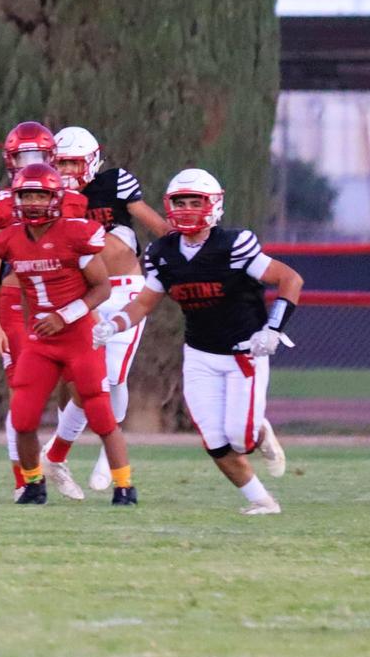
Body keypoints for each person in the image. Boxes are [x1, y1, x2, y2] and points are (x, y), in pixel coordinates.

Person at [96, 169, 301, 513]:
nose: (188, 209)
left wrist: (273, 329)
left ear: (214, 205)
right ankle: (261, 501)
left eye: (196, 201)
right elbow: (145, 301)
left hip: (243, 353)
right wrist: (114, 325)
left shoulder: (234, 245)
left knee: (241, 439)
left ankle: (260, 434)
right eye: (181, 202)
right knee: (214, 440)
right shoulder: (163, 252)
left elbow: (290, 279)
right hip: (200, 355)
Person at [0, 162, 131, 506]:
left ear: (55, 198)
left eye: (41, 195)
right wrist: (29, 324)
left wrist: (64, 316)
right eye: (27, 195)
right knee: (22, 415)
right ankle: (33, 484)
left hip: (78, 334)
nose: (34, 202)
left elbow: (103, 288)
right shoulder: (9, 239)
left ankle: (124, 486)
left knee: (100, 412)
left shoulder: (75, 234)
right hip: (42, 339)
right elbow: (24, 288)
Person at [40, 125, 172, 489]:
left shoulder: (114, 184)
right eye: (61, 163)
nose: (66, 172)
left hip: (124, 290)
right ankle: (60, 454)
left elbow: (155, 225)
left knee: (111, 377)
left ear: (92, 161)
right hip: (81, 293)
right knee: (84, 378)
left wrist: (185, 254)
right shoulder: (46, 196)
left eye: (73, 162)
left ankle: (81, 452)